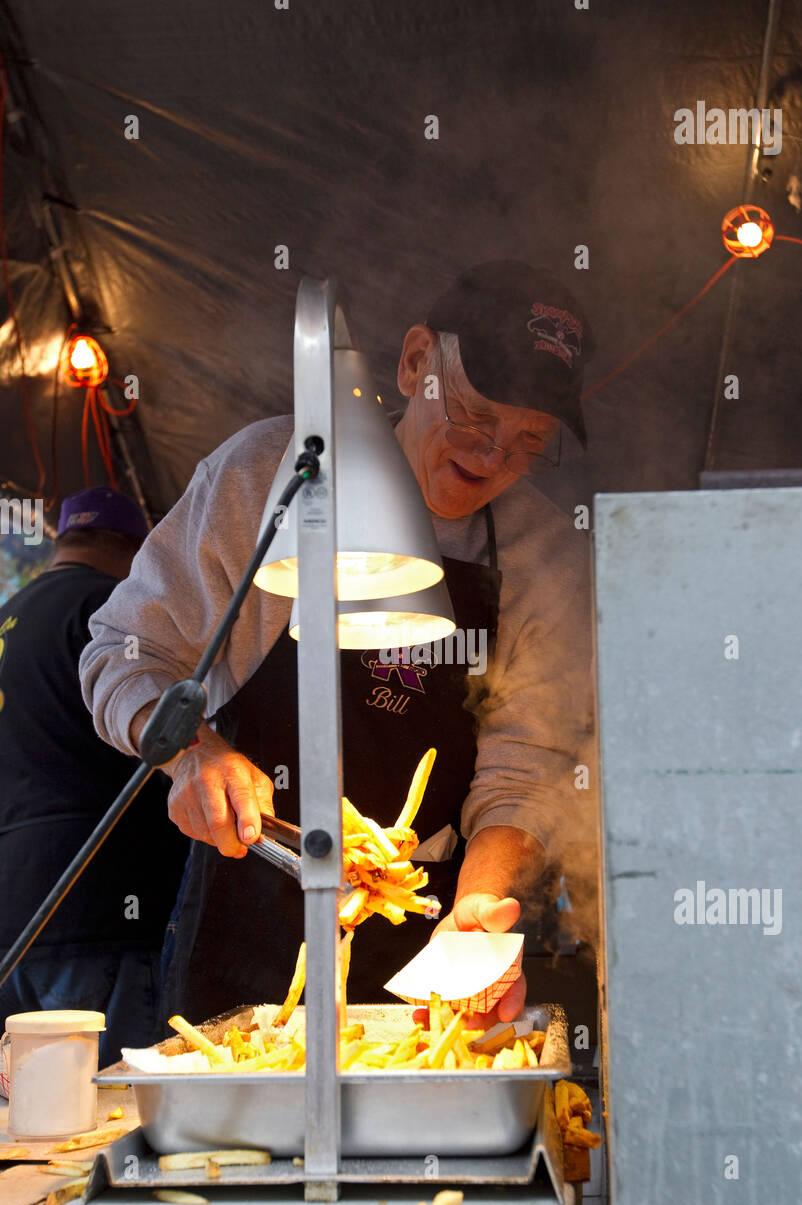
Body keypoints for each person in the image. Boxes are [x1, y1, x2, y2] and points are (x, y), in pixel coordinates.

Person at [80, 261, 595, 1028]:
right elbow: (123, 651)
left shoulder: (543, 554)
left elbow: (526, 771)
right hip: (243, 912)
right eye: (475, 417)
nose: (491, 459)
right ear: (416, 360)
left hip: (428, 941)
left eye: (529, 442)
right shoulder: (269, 476)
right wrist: (193, 753)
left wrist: (482, 903)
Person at [0, 487, 189, 1064]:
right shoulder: (109, 613)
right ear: (131, 549)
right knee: (110, 1117)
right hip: (103, 908)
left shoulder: (8, 617)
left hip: (16, 914)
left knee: (31, 1130)